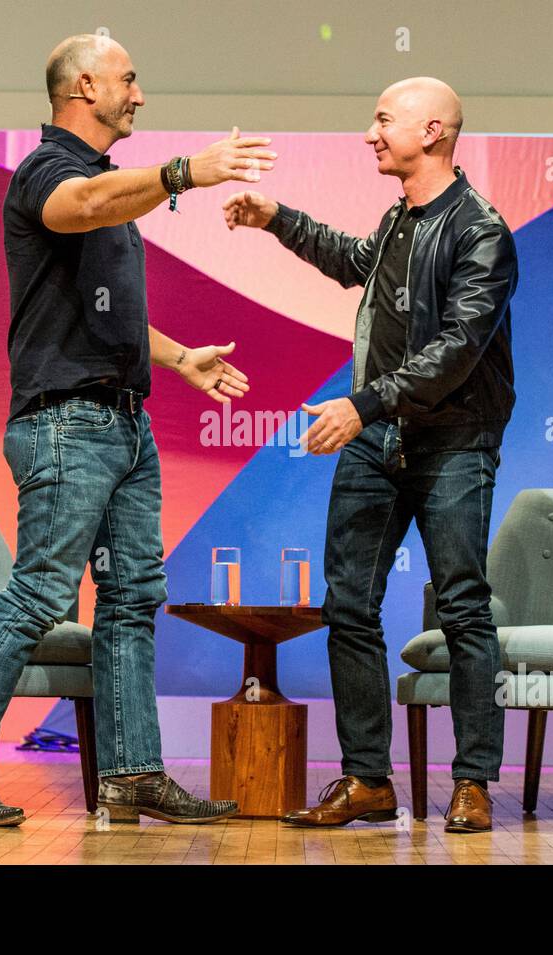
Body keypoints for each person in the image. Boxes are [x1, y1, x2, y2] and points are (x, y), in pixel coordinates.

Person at [0, 33, 277, 826]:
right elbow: (83, 206)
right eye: (128, 79)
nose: (140, 95)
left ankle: (130, 771)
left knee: (130, 599)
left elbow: (106, 312)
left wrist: (181, 356)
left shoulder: (109, 189)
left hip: (124, 425)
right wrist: (186, 171)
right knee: (41, 593)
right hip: (64, 425)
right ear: (85, 84)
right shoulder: (49, 174)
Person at [223, 76, 518, 833]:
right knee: (348, 603)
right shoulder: (399, 221)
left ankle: (475, 780)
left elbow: (457, 349)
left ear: (435, 132)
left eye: (384, 120)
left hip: (450, 440)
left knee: (461, 606)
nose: (369, 133)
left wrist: (363, 403)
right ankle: (367, 780)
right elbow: (354, 259)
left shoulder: (481, 231)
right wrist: (277, 219)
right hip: (376, 436)